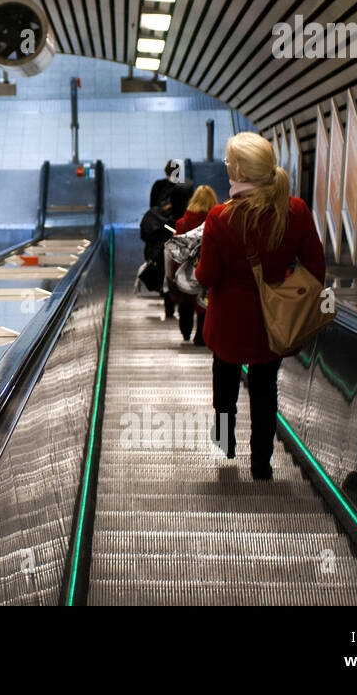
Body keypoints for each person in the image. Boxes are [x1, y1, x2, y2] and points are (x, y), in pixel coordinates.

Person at [194, 133, 325, 480]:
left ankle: (225, 444)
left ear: (238, 170)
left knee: (224, 390)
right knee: (266, 391)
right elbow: (316, 269)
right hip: (273, 326)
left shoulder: (220, 218)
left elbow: (207, 277)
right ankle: (261, 463)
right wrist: (282, 281)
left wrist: (195, 265)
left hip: (228, 326)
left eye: (228, 164)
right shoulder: (295, 210)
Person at [171, 184, 217, 345]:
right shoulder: (216, 221)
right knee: (204, 301)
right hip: (207, 266)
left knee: (186, 301)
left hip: (186, 270)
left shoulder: (182, 223)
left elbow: (176, 250)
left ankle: (185, 332)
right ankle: (201, 336)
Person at [139, 197, 176, 318]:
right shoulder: (171, 218)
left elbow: (143, 235)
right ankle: (170, 307)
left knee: (164, 278)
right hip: (168, 251)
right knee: (169, 278)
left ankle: (168, 307)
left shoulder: (150, 215)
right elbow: (174, 231)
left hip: (154, 252)